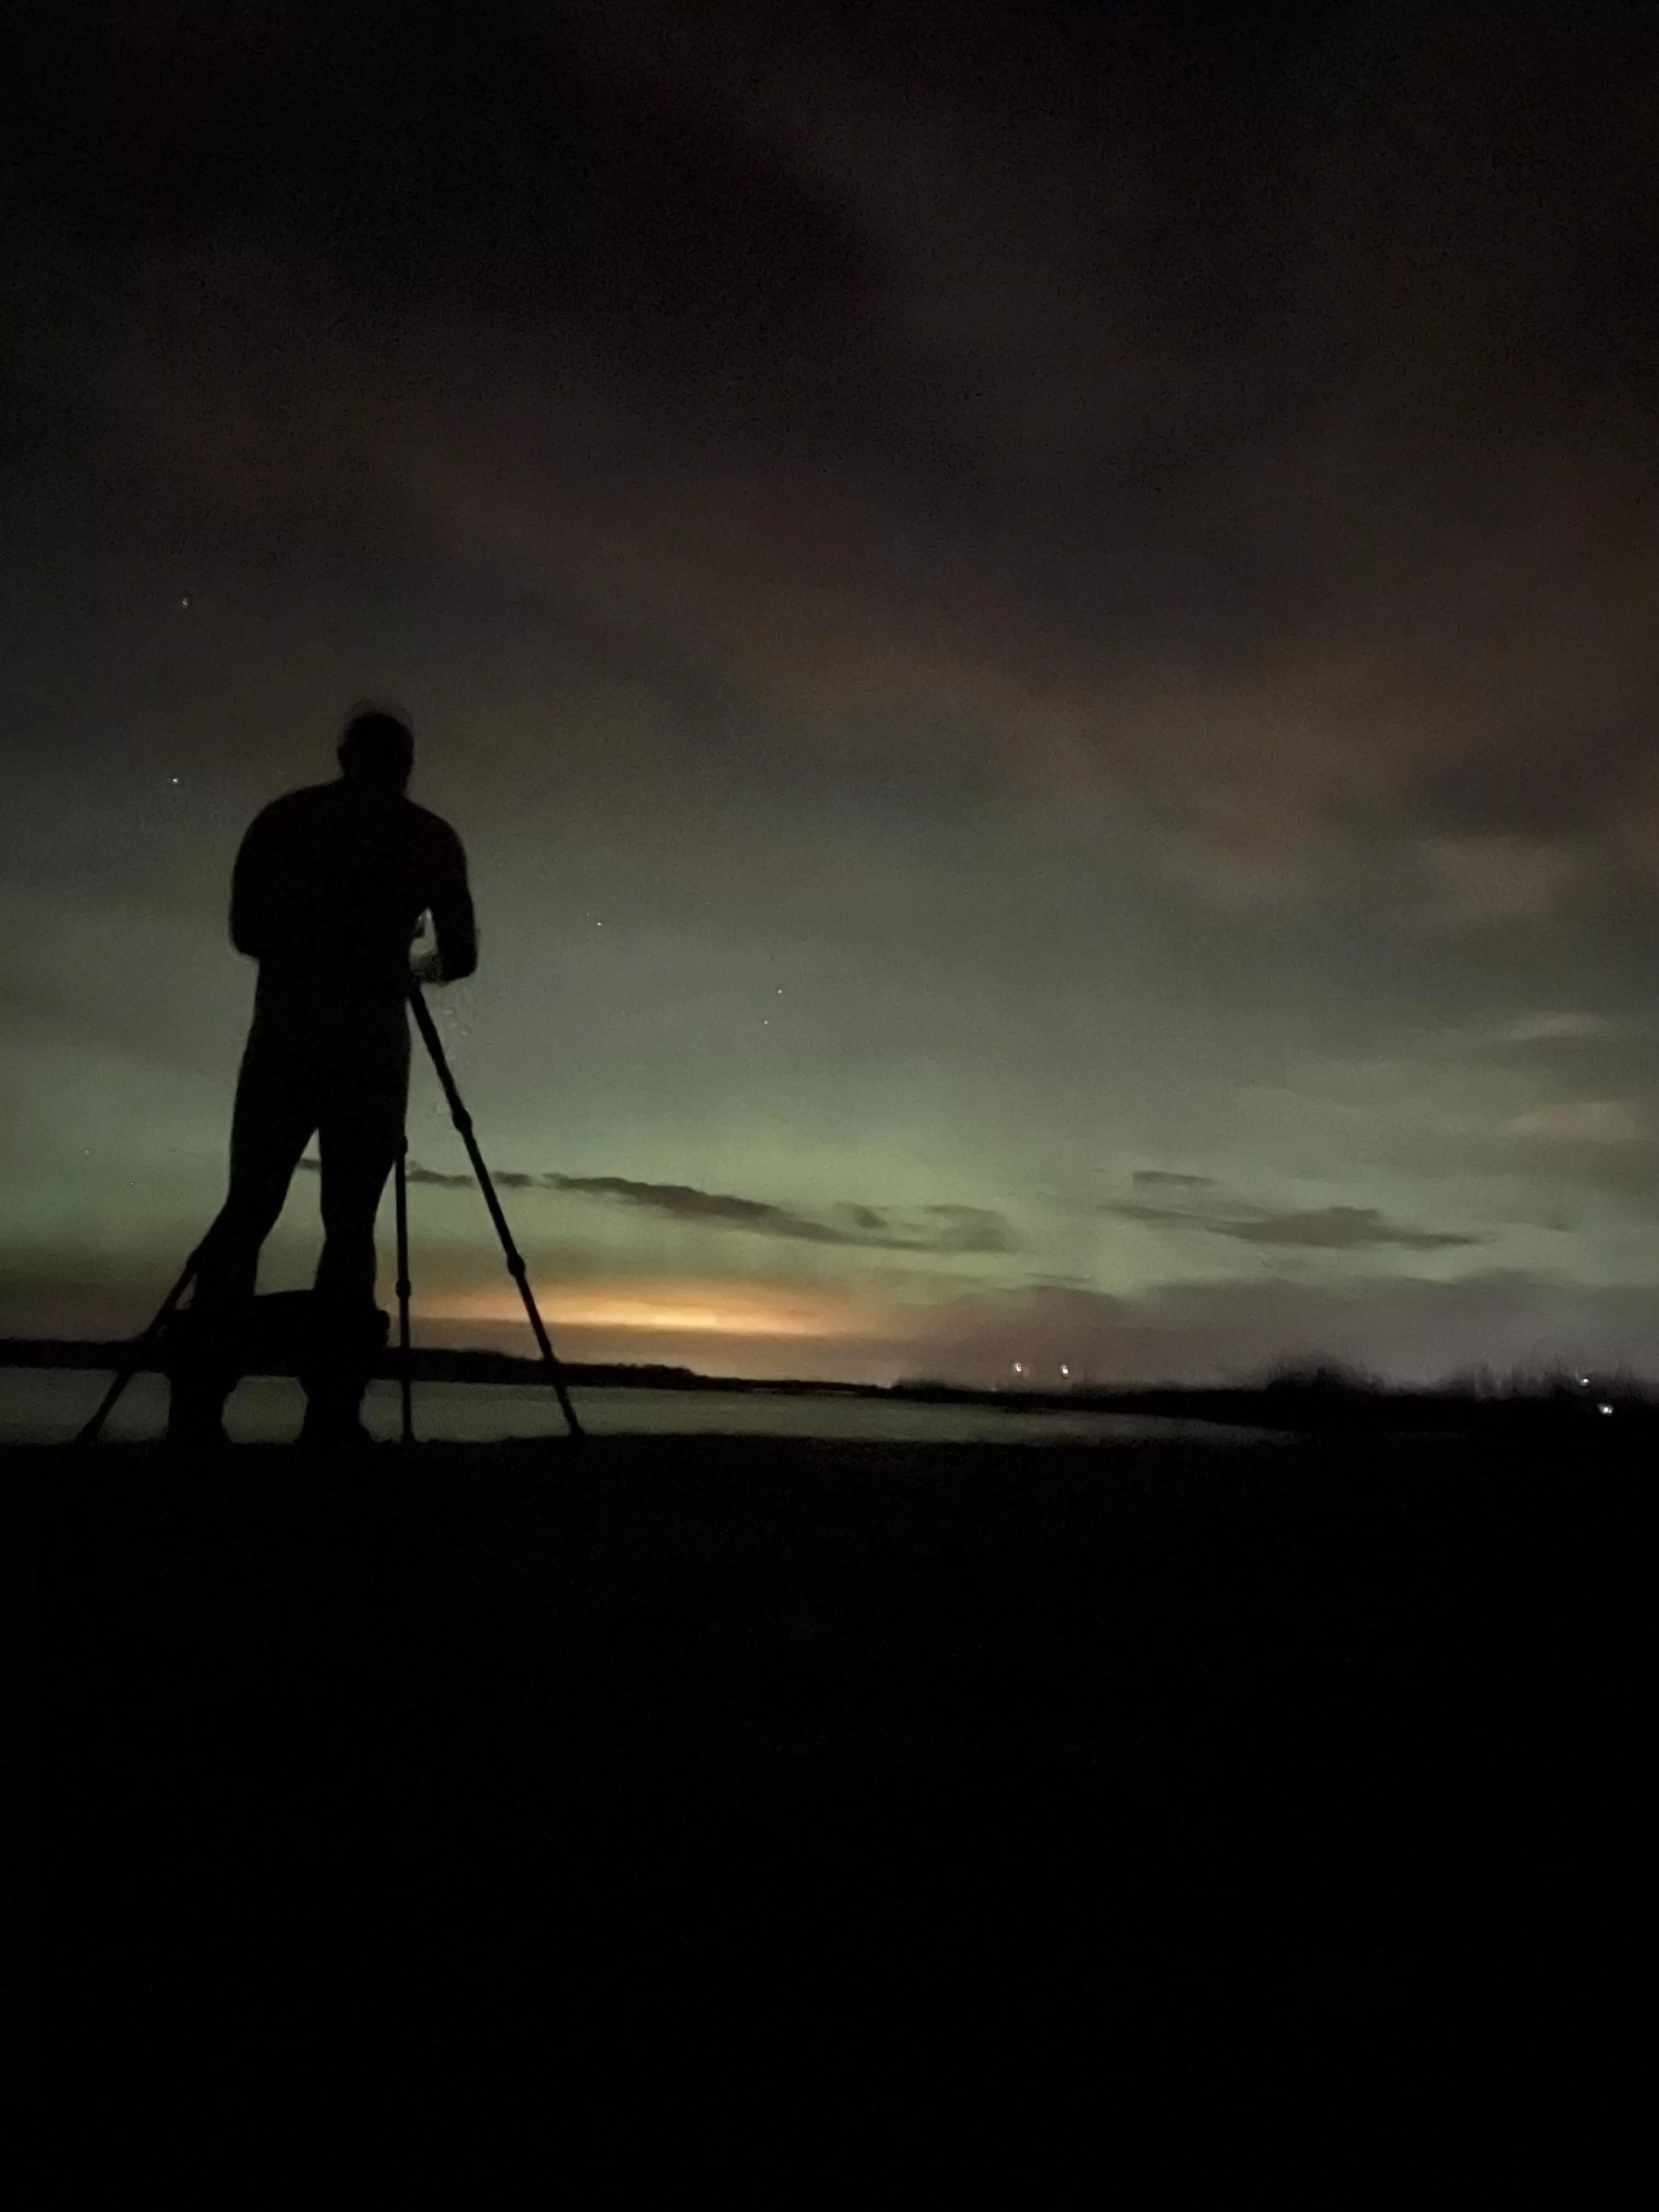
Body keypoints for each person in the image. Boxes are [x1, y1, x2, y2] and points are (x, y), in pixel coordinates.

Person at [168, 708, 477, 1447]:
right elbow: (460, 954)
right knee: (350, 1221)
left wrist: (319, 947)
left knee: (248, 1207)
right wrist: (402, 965)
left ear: (344, 755)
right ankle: (331, 1413)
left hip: (284, 1037)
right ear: (404, 763)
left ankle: (200, 1411)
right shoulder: (429, 839)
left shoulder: (288, 819)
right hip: (368, 1047)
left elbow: (248, 930)